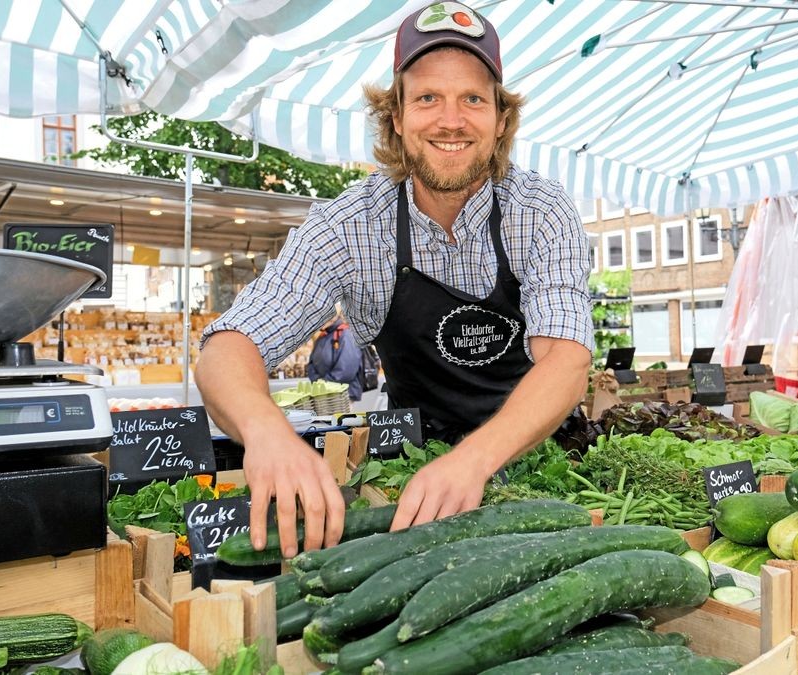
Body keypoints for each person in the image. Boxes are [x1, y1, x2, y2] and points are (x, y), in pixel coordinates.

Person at [195, 2, 593, 558]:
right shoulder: (349, 224)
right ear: (397, 118)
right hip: (412, 472)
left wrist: (474, 462)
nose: (450, 120)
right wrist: (266, 432)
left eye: (472, 99)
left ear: (500, 120)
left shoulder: (542, 210)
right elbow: (229, 343)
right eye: (427, 98)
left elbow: (566, 359)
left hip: (547, 474)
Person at [306, 316, 365, 401]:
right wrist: (317, 382)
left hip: (342, 395)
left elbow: (346, 370)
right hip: (324, 393)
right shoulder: (323, 335)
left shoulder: (346, 334)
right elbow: (311, 363)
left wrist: (324, 383)